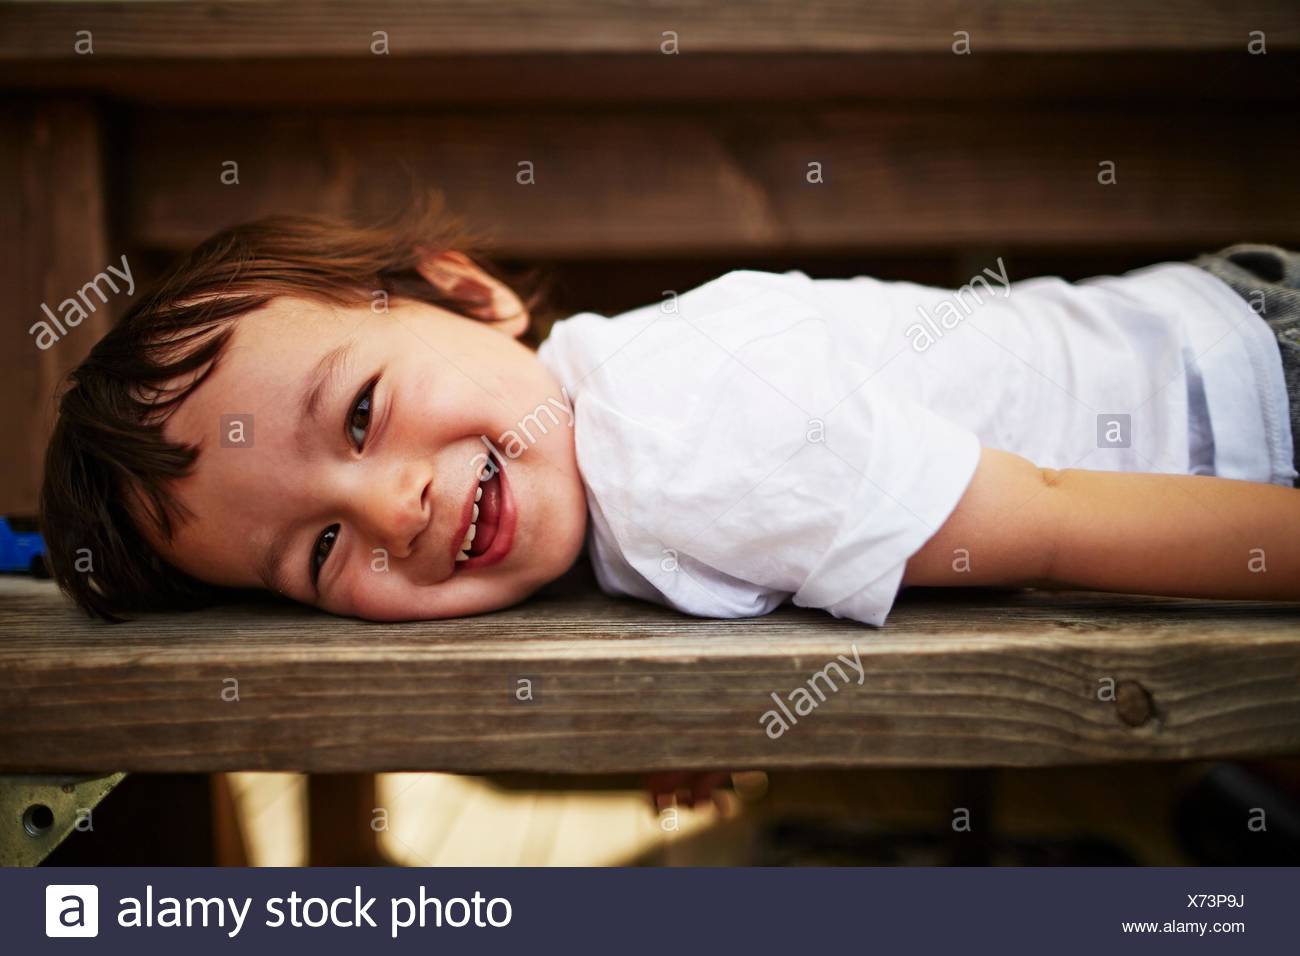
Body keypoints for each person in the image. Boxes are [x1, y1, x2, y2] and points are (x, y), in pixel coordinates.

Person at [39, 198, 1300, 628]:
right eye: (316, 554)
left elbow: (1062, 515)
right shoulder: (601, 439)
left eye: (361, 414)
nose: (389, 508)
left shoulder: (677, 429)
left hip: (1248, 410)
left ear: (467, 294)